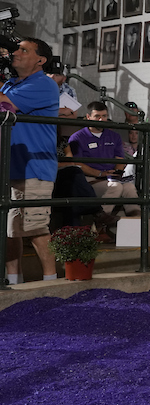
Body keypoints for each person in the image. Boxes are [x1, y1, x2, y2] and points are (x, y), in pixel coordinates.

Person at [0, 39, 60, 285]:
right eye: (16, 49)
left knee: (36, 229)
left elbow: (5, 105)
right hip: (11, 165)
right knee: (9, 231)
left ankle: (51, 282)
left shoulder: (43, 83)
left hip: (34, 166)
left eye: (24, 50)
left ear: (40, 60)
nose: (16, 53)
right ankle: (14, 281)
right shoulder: (11, 84)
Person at [65, 101, 140, 243]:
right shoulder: (77, 137)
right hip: (88, 179)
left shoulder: (114, 136)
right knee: (116, 187)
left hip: (111, 177)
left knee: (130, 188)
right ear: (88, 117)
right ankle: (96, 229)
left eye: (104, 116)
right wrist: (100, 174)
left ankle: (135, 232)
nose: (101, 119)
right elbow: (77, 164)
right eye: (97, 116)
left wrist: (117, 173)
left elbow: (120, 159)